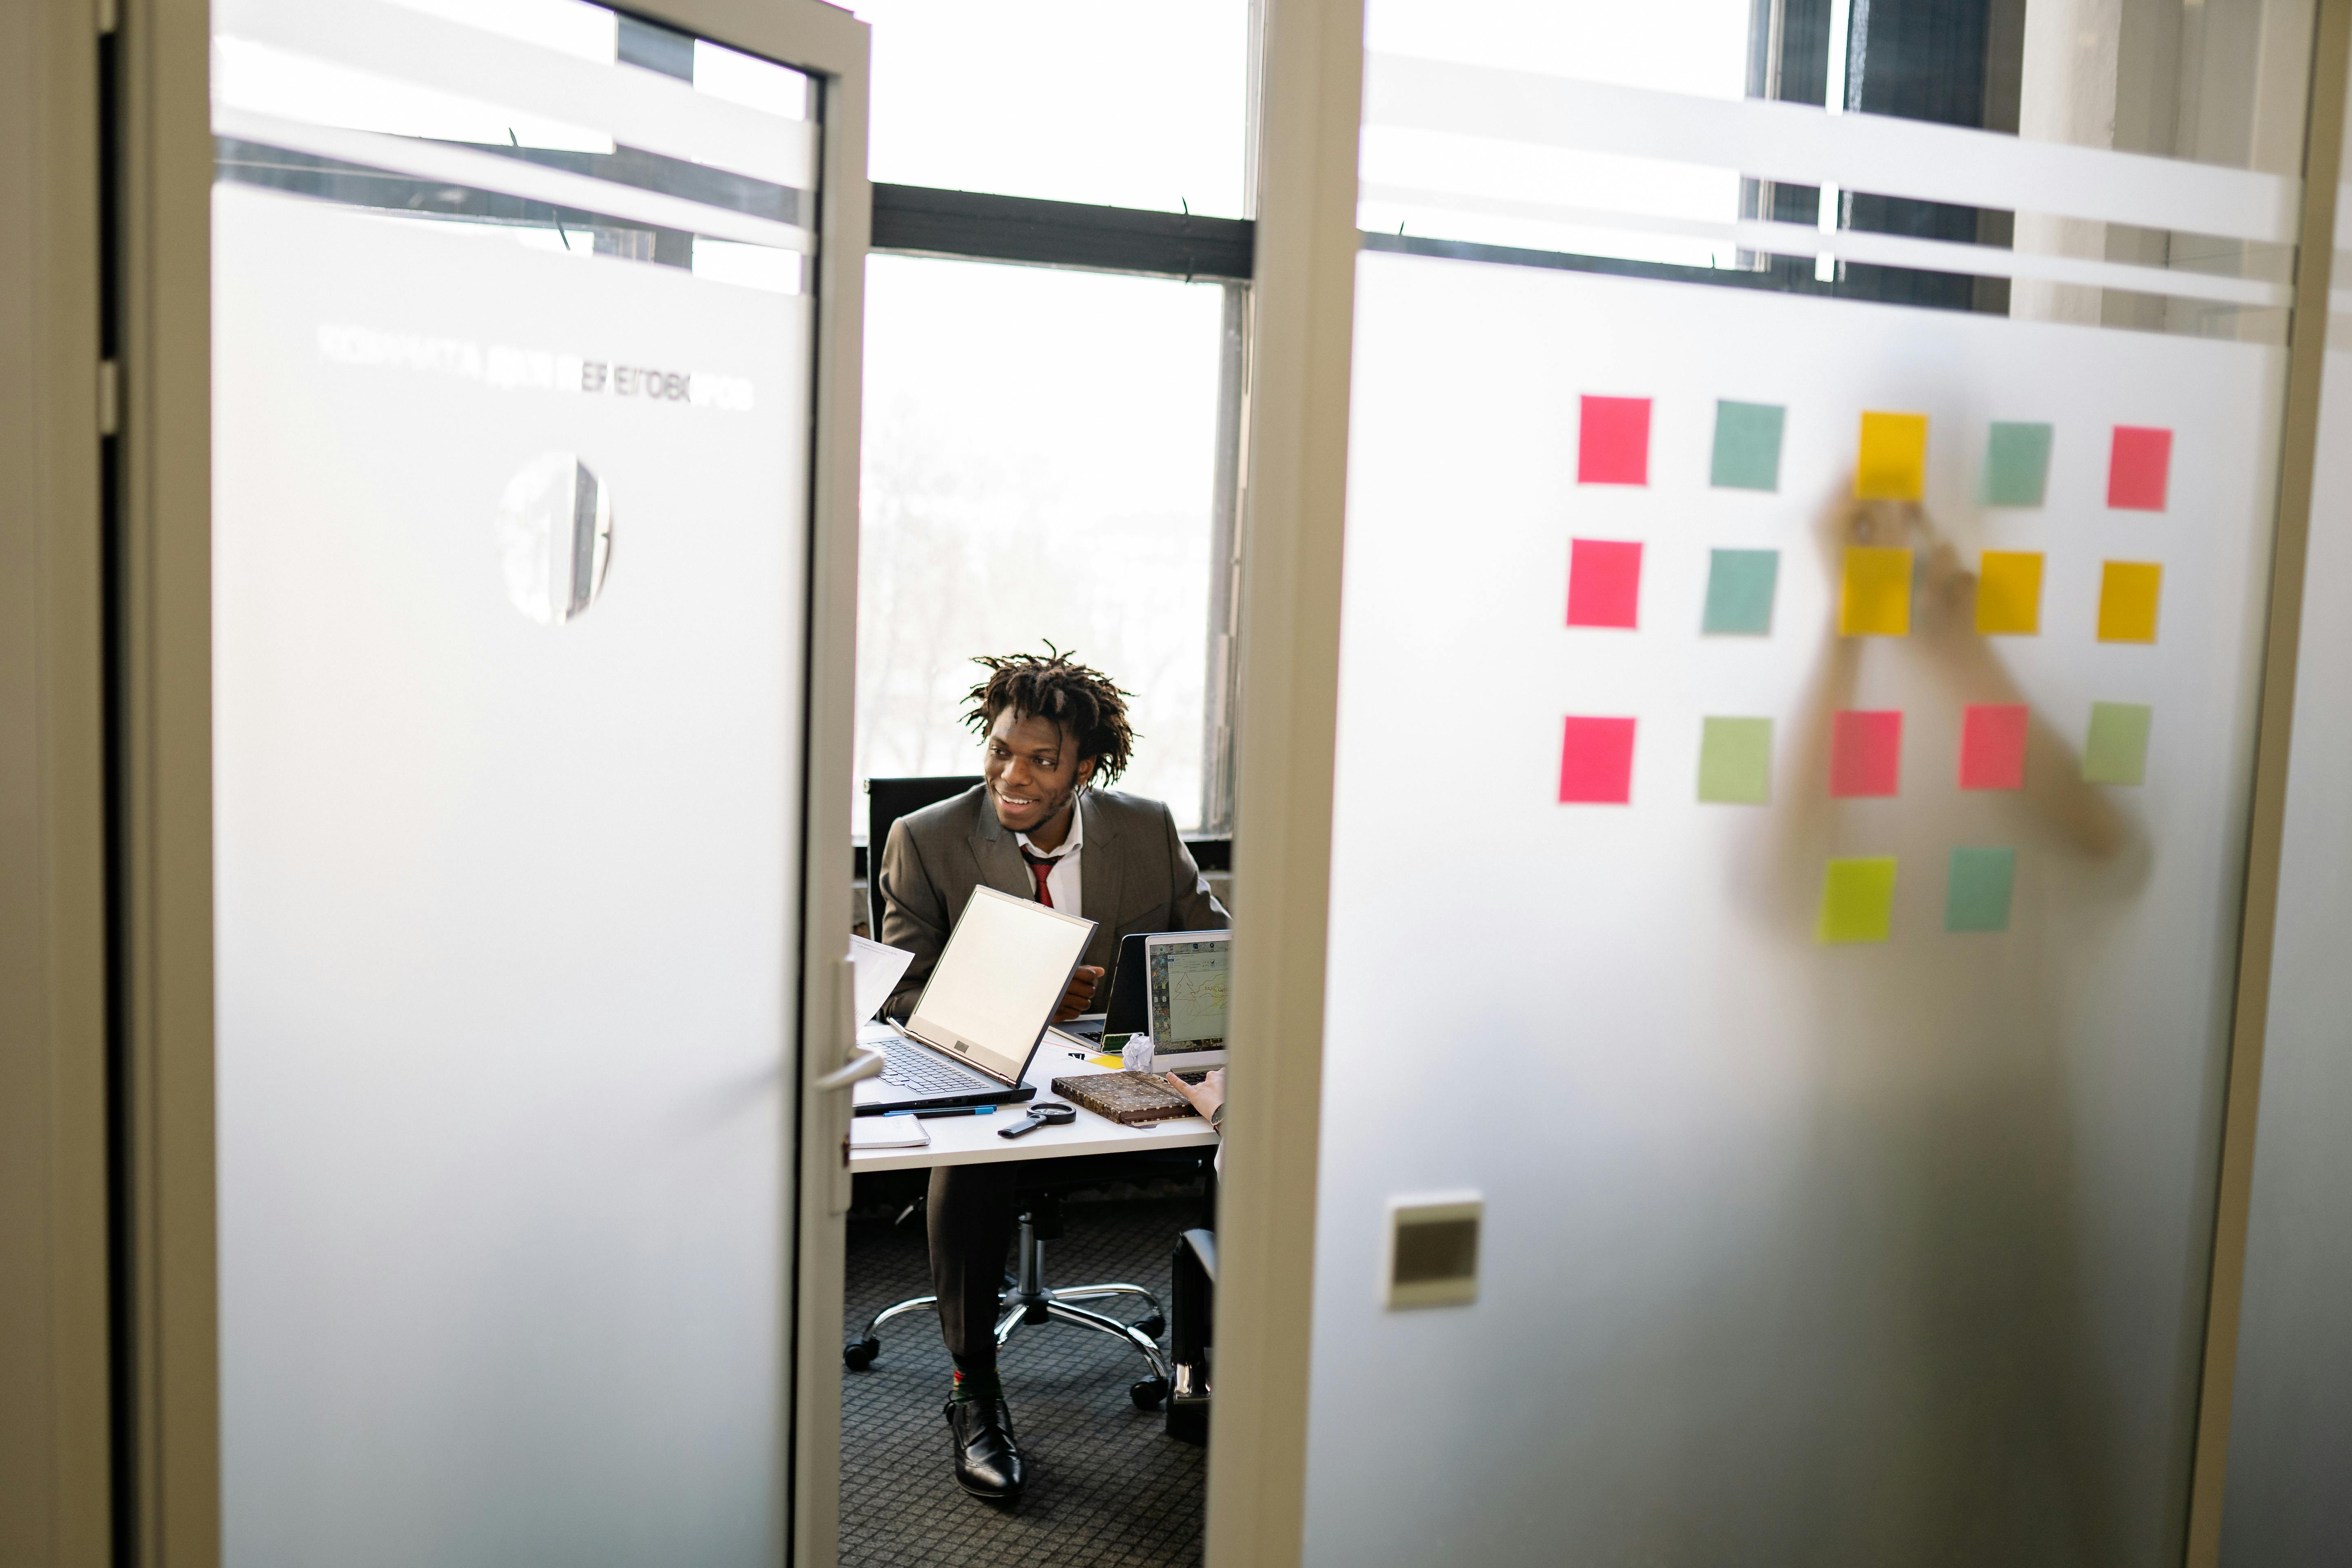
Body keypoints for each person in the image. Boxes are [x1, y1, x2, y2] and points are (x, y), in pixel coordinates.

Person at [875, 647, 1229, 1503]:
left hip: (1117, 1067)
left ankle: (1213, 1365)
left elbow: (1215, 949)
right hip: (987, 1066)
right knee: (968, 1161)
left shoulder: (1145, 828)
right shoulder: (925, 839)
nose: (1013, 775)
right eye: (1001, 750)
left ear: (1085, 769)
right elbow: (899, 993)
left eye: (1041, 760)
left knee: (1249, 1125)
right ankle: (973, 1388)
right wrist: (1017, 996)